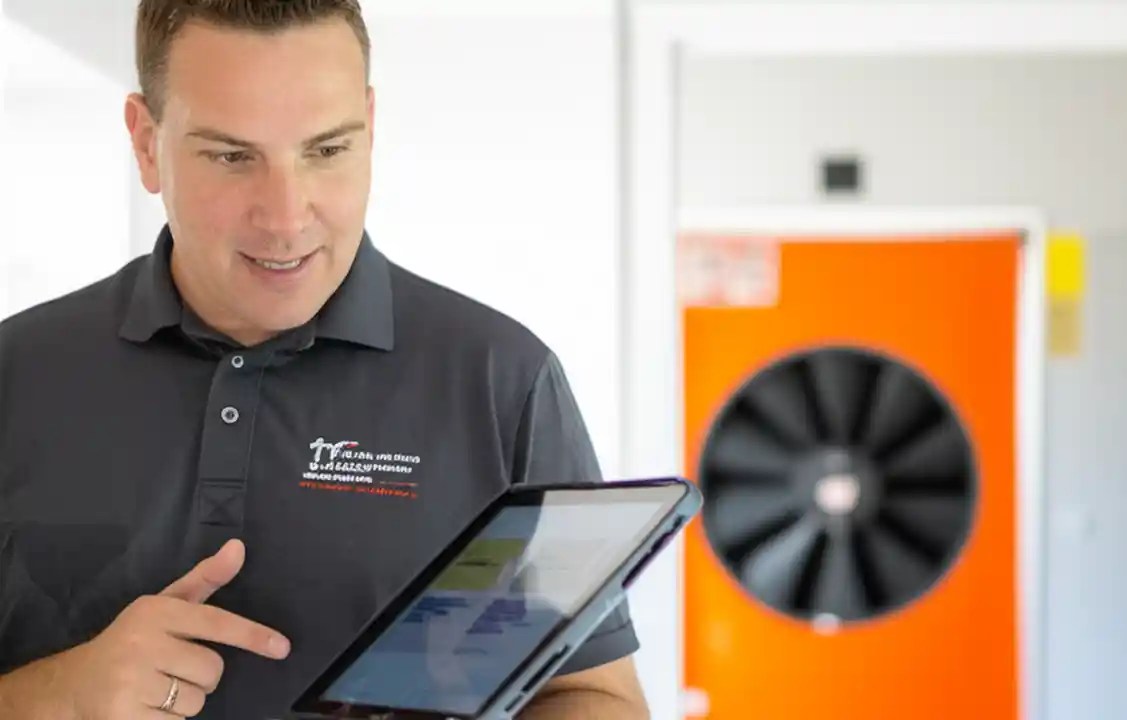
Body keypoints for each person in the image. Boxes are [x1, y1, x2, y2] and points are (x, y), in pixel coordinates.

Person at [0, 1, 648, 718]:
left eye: (327, 150)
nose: (286, 216)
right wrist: (53, 698)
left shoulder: (502, 384)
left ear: (369, 128)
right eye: (231, 156)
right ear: (147, 145)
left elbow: (593, 694)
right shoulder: (14, 376)